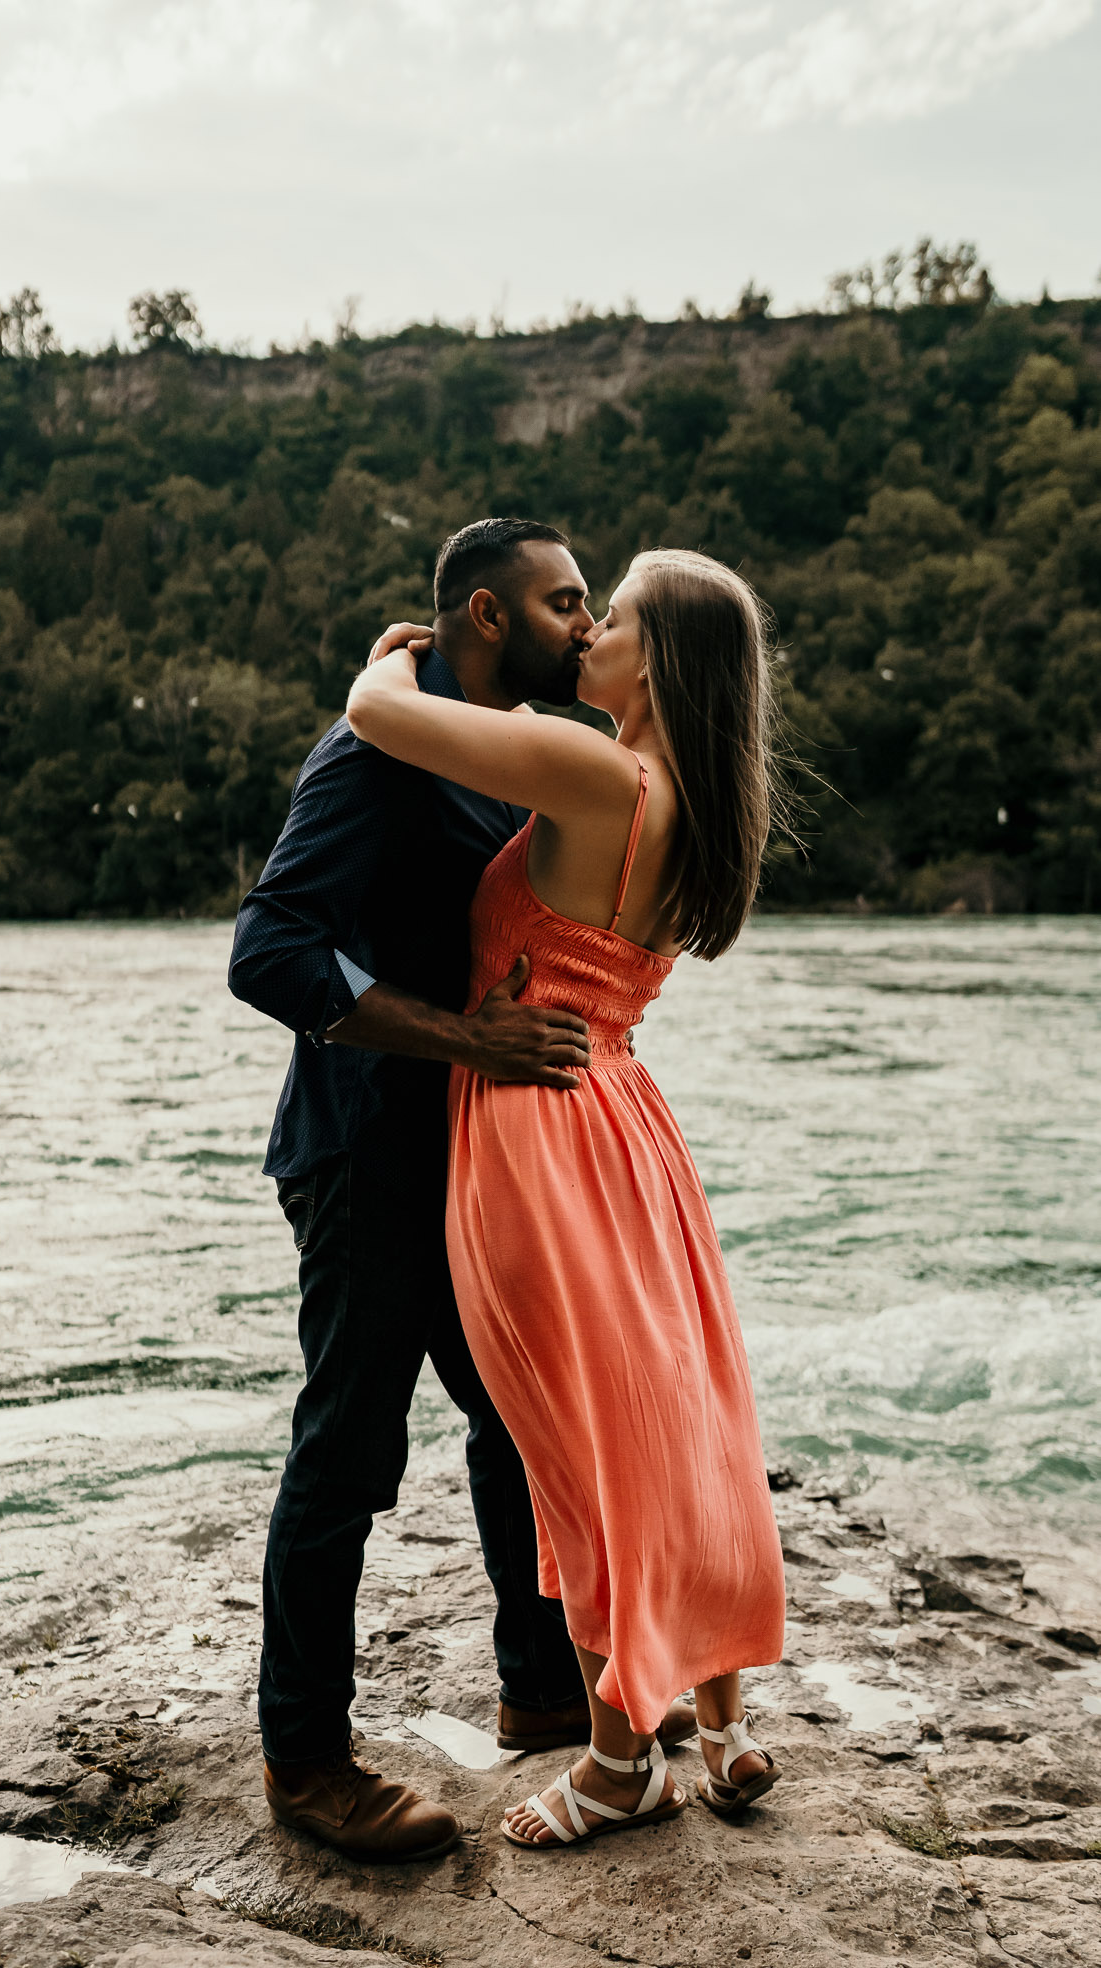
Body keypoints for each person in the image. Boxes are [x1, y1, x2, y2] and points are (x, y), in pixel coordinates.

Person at [228, 519, 697, 1864]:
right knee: (349, 1450)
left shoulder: (514, 761)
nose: (587, 623)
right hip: (365, 1148)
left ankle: (545, 1688)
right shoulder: (373, 746)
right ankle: (306, 1761)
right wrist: (464, 1039)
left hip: (481, 1156)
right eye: (564, 604)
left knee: (523, 1421)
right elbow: (268, 951)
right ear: (487, 619)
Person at [346, 546, 788, 1852]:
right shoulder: (691, 795)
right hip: (626, 1115)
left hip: (540, 1127)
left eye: (615, 616)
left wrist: (394, 660)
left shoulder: (597, 771)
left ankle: (617, 1762)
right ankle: (717, 1720)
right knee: (672, 1412)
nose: (587, 629)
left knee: (578, 1440)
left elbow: (380, 721)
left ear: (652, 662)